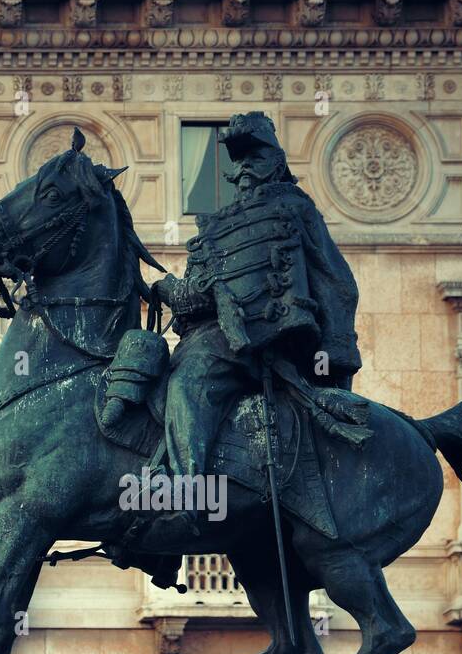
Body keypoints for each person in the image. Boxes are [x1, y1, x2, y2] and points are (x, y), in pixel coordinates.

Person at [155, 111, 362, 530]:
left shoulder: (294, 211)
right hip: (212, 334)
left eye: (256, 156)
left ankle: (188, 494)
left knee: (189, 381)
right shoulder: (214, 231)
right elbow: (196, 295)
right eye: (239, 161)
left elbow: (336, 280)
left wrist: (332, 357)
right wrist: (167, 290)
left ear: (276, 162)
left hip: (262, 340)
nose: (245, 168)